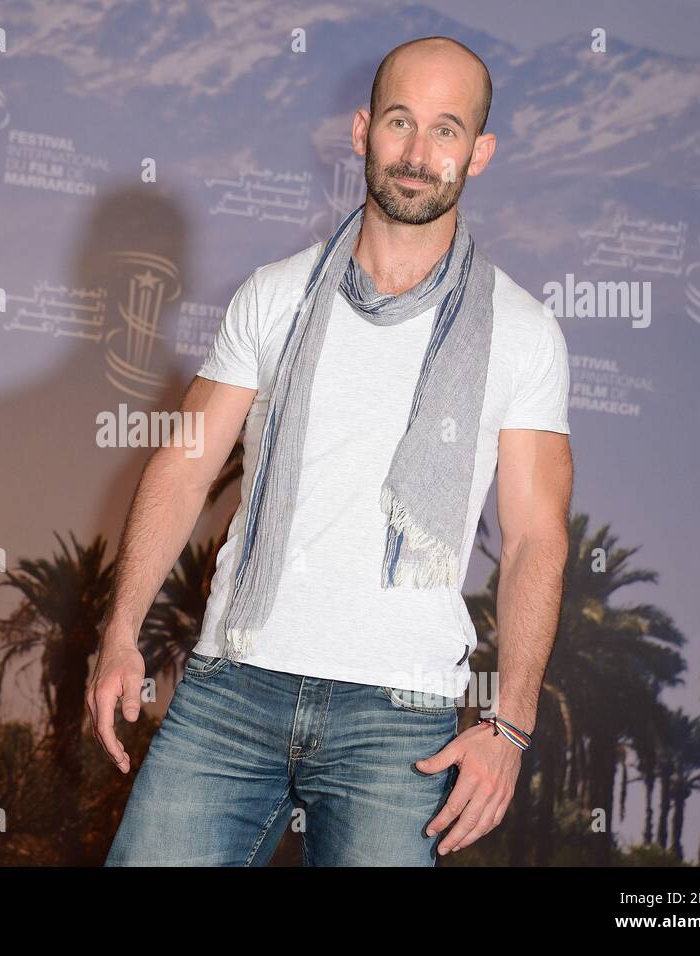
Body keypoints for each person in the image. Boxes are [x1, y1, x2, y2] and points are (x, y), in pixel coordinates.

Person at [89, 35, 573, 866]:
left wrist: (511, 723)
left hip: (399, 719)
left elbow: (535, 536)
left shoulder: (524, 334)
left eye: (447, 131)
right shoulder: (274, 295)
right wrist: (121, 628)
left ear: (480, 153)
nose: (419, 155)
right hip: (231, 689)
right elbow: (184, 466)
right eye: (400, 122)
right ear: (360, 131)